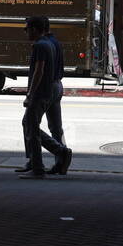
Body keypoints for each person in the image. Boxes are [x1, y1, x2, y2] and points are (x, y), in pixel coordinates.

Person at [19, 15, 72, 179]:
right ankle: (57, 161)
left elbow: (39, 71)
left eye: (27, 29)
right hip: (56, 85)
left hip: (44, 89)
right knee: (55, 127)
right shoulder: (54, 42)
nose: (26, 32)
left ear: (35, 29)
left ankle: (43, 162)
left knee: (29, 125)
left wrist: (30, 94)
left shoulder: (41, 45)